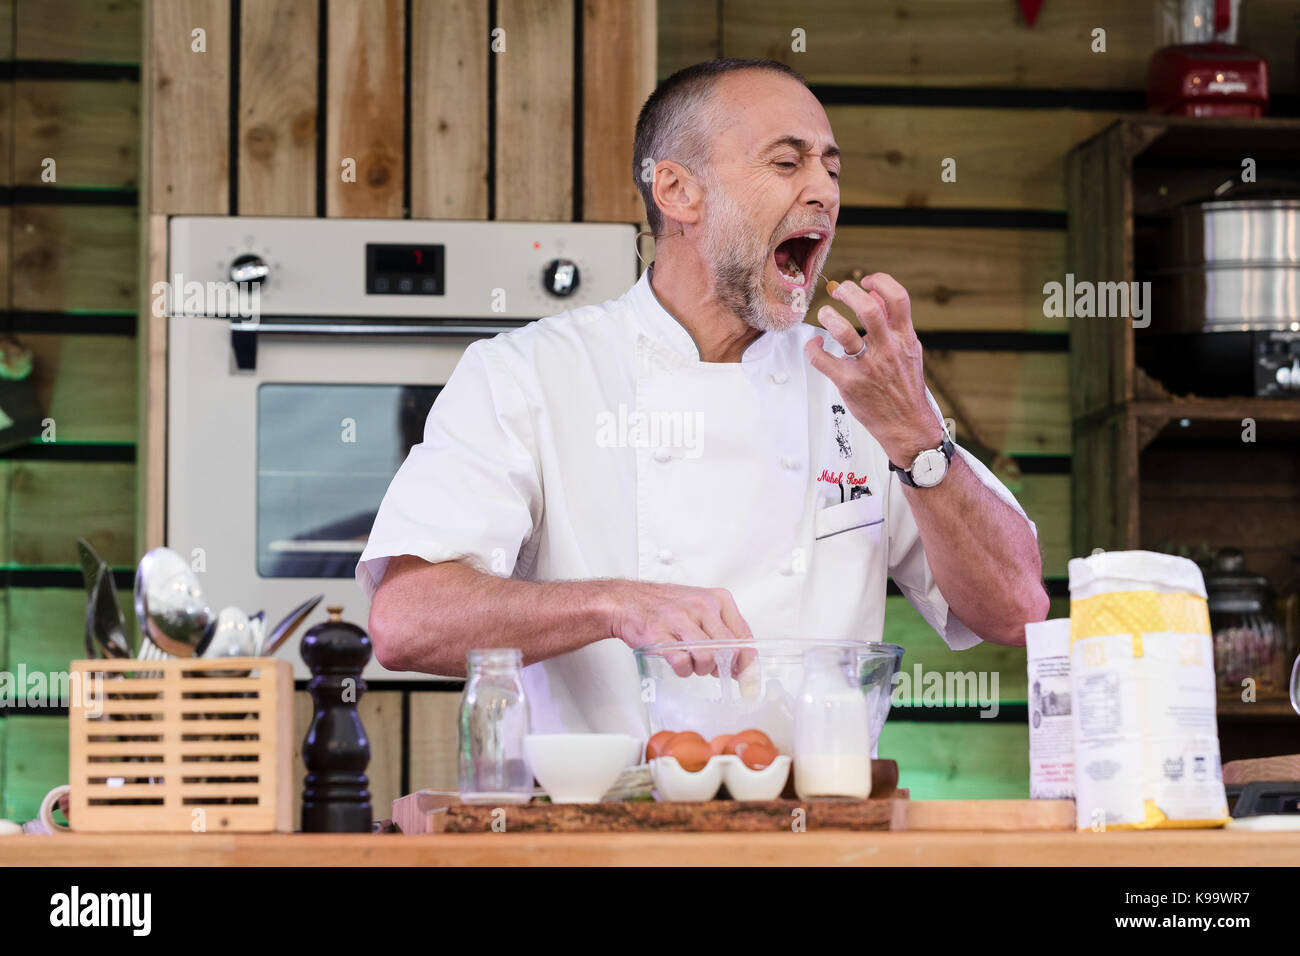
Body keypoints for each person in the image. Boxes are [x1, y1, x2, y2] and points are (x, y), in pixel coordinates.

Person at [357, 58, 1049, 735]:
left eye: (832, 170)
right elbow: (407, 621)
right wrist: (614, 603)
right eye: (788, 163)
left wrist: (918, 437)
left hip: (817, 835)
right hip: (603, 835)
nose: (825, 193)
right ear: (678, 192)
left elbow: (1017, 609)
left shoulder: (863, 386)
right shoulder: (529, 375)